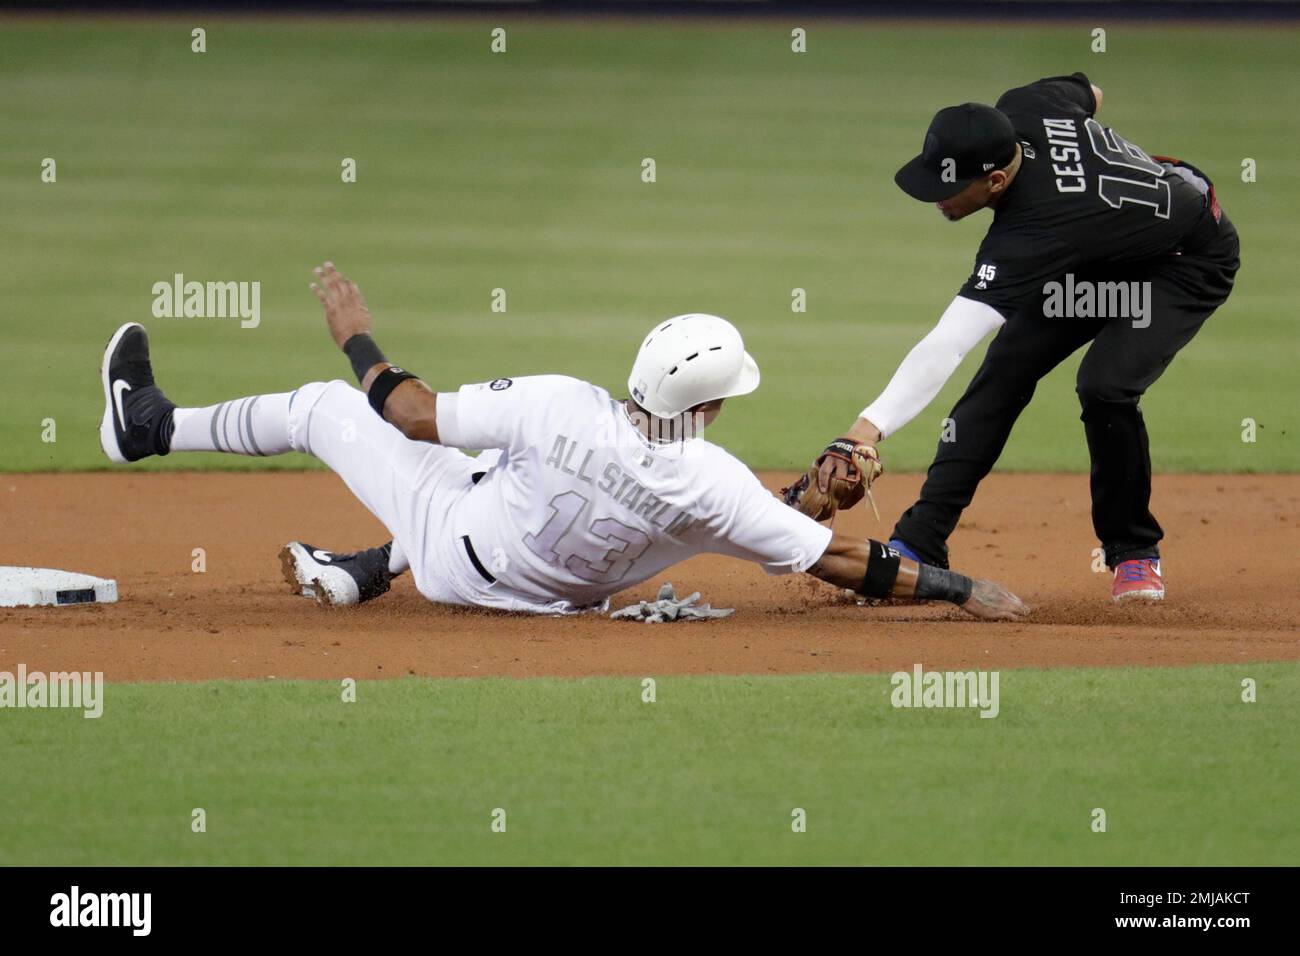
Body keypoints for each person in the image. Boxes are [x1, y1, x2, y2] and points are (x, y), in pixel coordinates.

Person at [98, 262, 1028, 620]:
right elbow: (839, 559)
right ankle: (363, 569)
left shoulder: (558, 405)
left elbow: (409, 412)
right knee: (495, 470)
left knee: (319, 410)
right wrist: (959, 586)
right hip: (546, 600)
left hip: (457, 545)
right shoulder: (715, 486)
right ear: (709, 410)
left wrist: (356, 341)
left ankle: (146, 427)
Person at [805, 73, 1239, 603]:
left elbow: (949, 342)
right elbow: (1094, 92)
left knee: (1105, 386)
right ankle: (921, 541)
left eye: (948, 187)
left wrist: (863, 432)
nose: (935, 197)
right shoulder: (1024, 107)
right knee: (1006, 367)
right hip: (1095, 253)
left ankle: (1134, 553)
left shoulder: (1031, 233)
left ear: (994, 183)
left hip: (1182, 263)